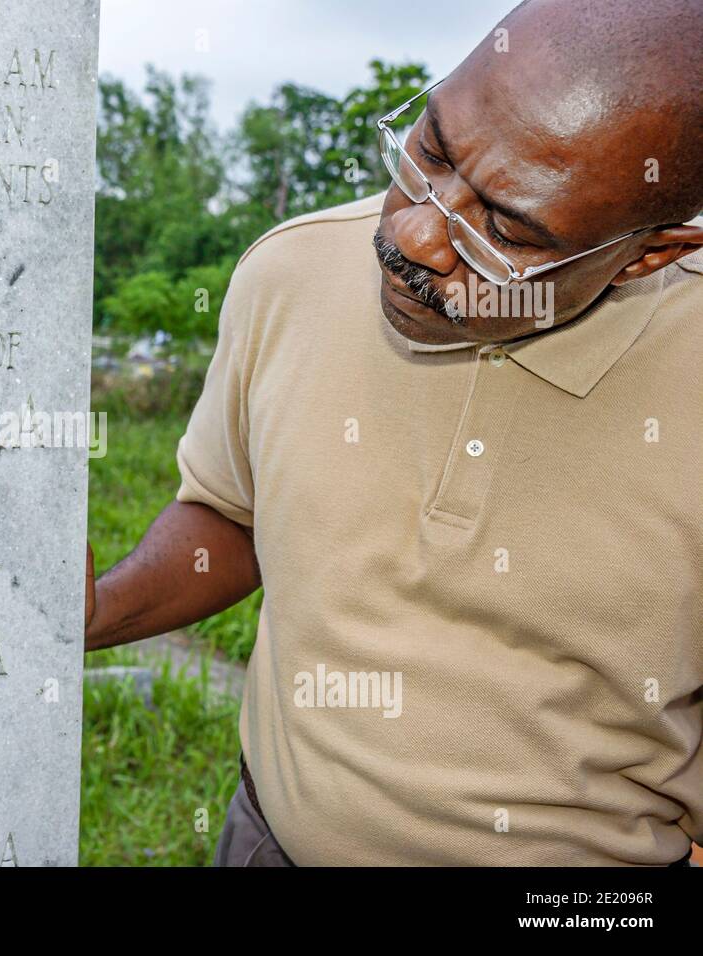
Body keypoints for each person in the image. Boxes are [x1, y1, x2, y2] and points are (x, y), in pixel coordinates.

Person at [84, 0, 703, 866]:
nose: (413, 232)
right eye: (431, 149)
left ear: (649, 253)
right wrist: (97, 609)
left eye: (507, 228)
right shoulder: (290, 272)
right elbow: (234, 516)